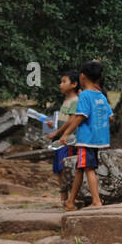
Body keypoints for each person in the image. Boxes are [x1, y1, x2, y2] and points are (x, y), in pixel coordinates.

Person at [60, 60, 112, 210]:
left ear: (82, 77)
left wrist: (66, 133)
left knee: (88, 168)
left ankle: (96, 201)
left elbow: (80, 116)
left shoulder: (84, 96)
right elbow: (110, 116)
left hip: (86, 139)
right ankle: (70, 201)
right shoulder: (101, 96)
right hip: (98, 139)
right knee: (80, 169)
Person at [45, 69, 82, 208]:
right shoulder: (66, 100)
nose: (60, 84)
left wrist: (57, 133)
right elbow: (63, 120)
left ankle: (71, 197)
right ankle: (63, 197)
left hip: (69, 140)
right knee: (59, 168)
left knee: (66, 167)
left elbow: (71, 121)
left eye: (64, 81)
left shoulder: (75, 101)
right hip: (62, 139)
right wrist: (54, 126)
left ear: (73, 84)